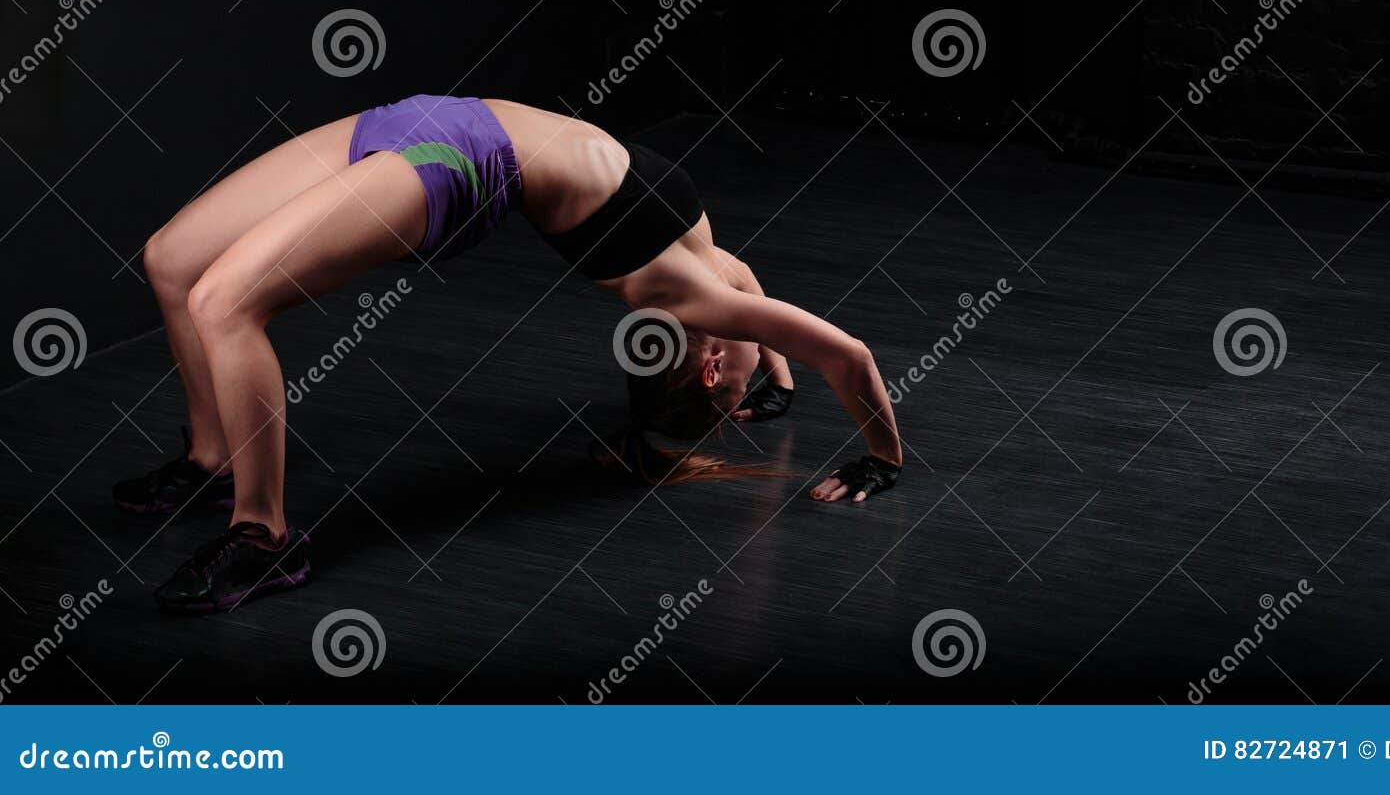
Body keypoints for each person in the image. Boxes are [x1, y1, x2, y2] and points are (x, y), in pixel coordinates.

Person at [117, 94, 904, 613]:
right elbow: (798, 328)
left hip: (458, 165)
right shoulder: (706, 264)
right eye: (745, 383)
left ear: (705, 367)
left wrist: (868, 445)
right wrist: (805, 400)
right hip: (426, 116)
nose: (755, 366)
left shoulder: (690, 294)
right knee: (170, 260)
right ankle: (214, 459)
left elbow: (837, 349)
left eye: (738, 390)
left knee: (223, 303)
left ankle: (265, 537)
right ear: (711, 367)